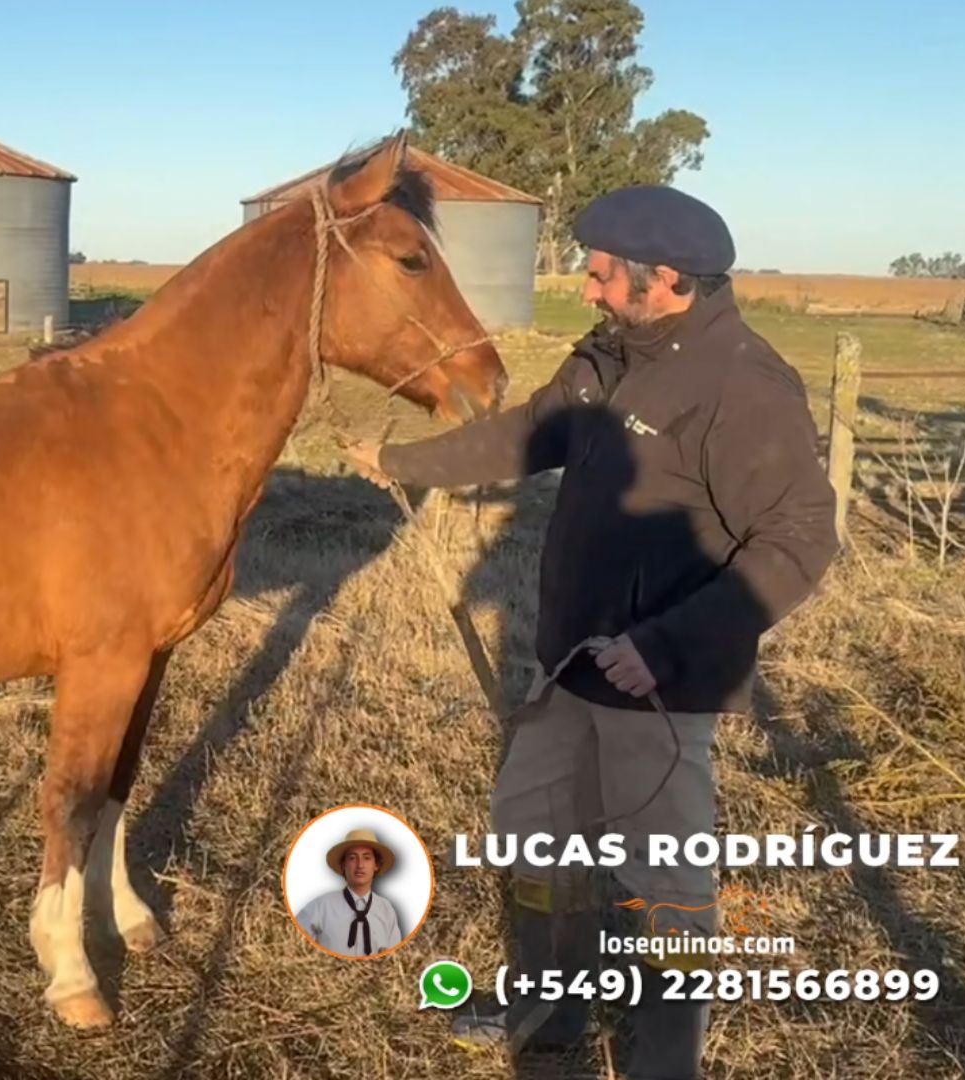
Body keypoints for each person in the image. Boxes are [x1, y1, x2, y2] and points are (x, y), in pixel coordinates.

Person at [346, 186, 838, 1078]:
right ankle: (550, 1010)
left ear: (666, 281)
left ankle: (665, 1066)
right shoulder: (608, 355)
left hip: (658, 685)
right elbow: (529, 435)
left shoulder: (742, 384)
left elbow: (800, 541)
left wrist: (665, 647)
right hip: (571, 664)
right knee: (533, 834)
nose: (587, 288)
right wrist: (402, 462)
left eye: (603, 274)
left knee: (665, 883)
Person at [293, 828, 407, 957]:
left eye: (367, 858)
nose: (360, 865)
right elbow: (293, 943)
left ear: (376, 865)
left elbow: (396, 957)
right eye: (352, 858)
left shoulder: (386, 910)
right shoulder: (321, 906)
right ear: (343, 865)